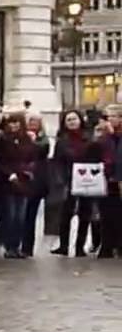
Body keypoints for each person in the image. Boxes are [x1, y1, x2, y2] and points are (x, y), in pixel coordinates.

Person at [51, 109, 102, 256]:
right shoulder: (61, 141)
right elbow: (57, 161)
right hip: (68, 180)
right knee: (65, 214)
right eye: (68, 120)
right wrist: (60, 180)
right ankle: (64, 245)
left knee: (85, 214)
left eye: (74, 119)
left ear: (80, 120)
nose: (72, 122)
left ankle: (80, 247)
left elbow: (96, 158)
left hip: (86, 179)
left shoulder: (90, 138)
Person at [0, 108, 38, 259]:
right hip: (9, 182)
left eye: (16, 122)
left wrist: (29, 171)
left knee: (20, 217)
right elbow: (1, 160)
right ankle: (8, 246)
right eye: (10, 123)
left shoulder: (27, 140)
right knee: (10, 216)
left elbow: (33, 158)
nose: (13, 126)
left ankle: (15, 246)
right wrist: (10, 174)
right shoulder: (3, 140)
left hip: (24, 180)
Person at [20, 109, 51, 257]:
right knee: (20, 214)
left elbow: (41, 151)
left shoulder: (43, 139)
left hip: (37, 181)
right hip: (22, 180)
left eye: (36, 122)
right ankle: (15, 244)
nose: (33, 124)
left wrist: (32, 141)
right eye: (30, 121)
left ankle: (27, 247)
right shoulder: (20, 137)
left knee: (30, 214)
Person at [97, 104, 122, 258]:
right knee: (106, 214)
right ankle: (107, 245)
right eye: (108, 117)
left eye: (114, 116)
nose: (110, 119)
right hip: (107, 181)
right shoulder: (104, 138)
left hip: (120, 179)